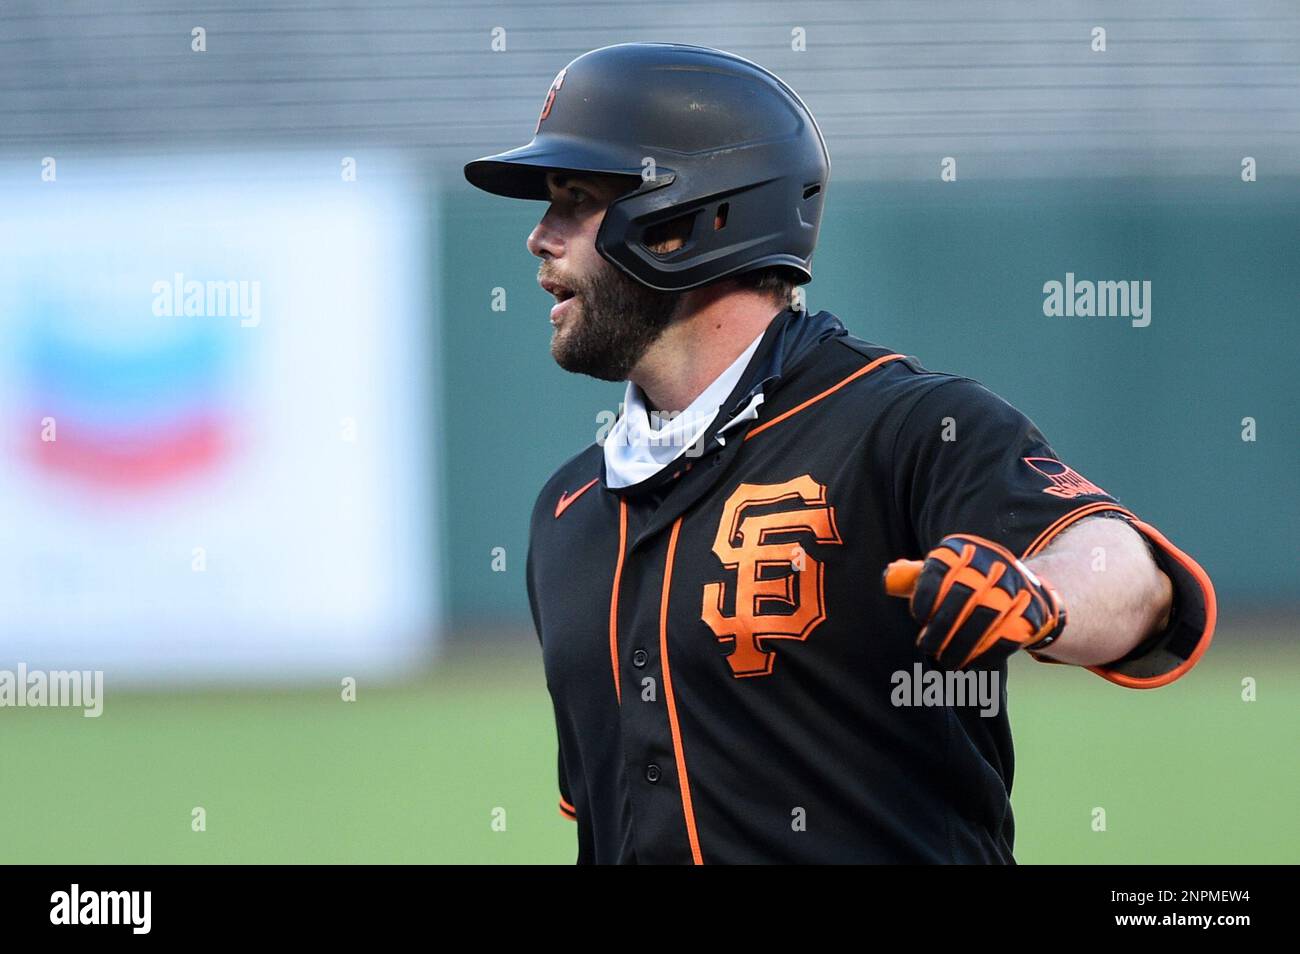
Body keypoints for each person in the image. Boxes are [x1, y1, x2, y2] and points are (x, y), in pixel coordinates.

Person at [464, 42, 1215, 864]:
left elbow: (1129, 577)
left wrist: (1041, 595)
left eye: (576, 199)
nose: (540, 237)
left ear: (688, 218)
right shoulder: (568, 512)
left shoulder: (908, 426)